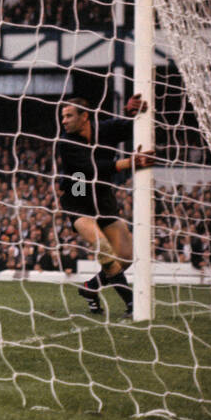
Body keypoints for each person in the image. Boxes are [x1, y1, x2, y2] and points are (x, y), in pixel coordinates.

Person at [54, 94, 154, 316]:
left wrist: (133, 115)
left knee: (126, 255)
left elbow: (132, 127)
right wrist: (129, 162)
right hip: (78, 199)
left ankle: (91, 287)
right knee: (105, 250)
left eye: (69, 115)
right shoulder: (65, 142)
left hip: (103, 197)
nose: (64, 121)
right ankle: (131, 303)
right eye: (63, 116)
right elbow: (89, 169)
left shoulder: (104, 129)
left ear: (84, 117)